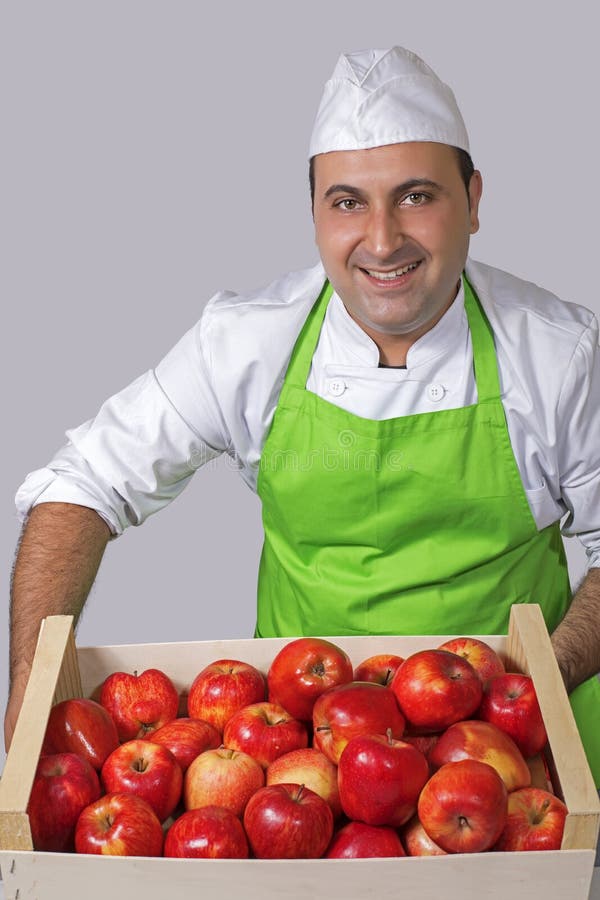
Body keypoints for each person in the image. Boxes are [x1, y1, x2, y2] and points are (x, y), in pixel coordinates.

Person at [6, 47, 600, 784]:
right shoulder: (249, 343)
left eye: (417, 196)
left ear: (474, 201)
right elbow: (84, 484)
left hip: (510, 742)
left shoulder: (558, 355)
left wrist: (541, 680)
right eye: (348, 202)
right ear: (315, 213)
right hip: (295, 744)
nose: (382, 240)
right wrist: (32, 689)